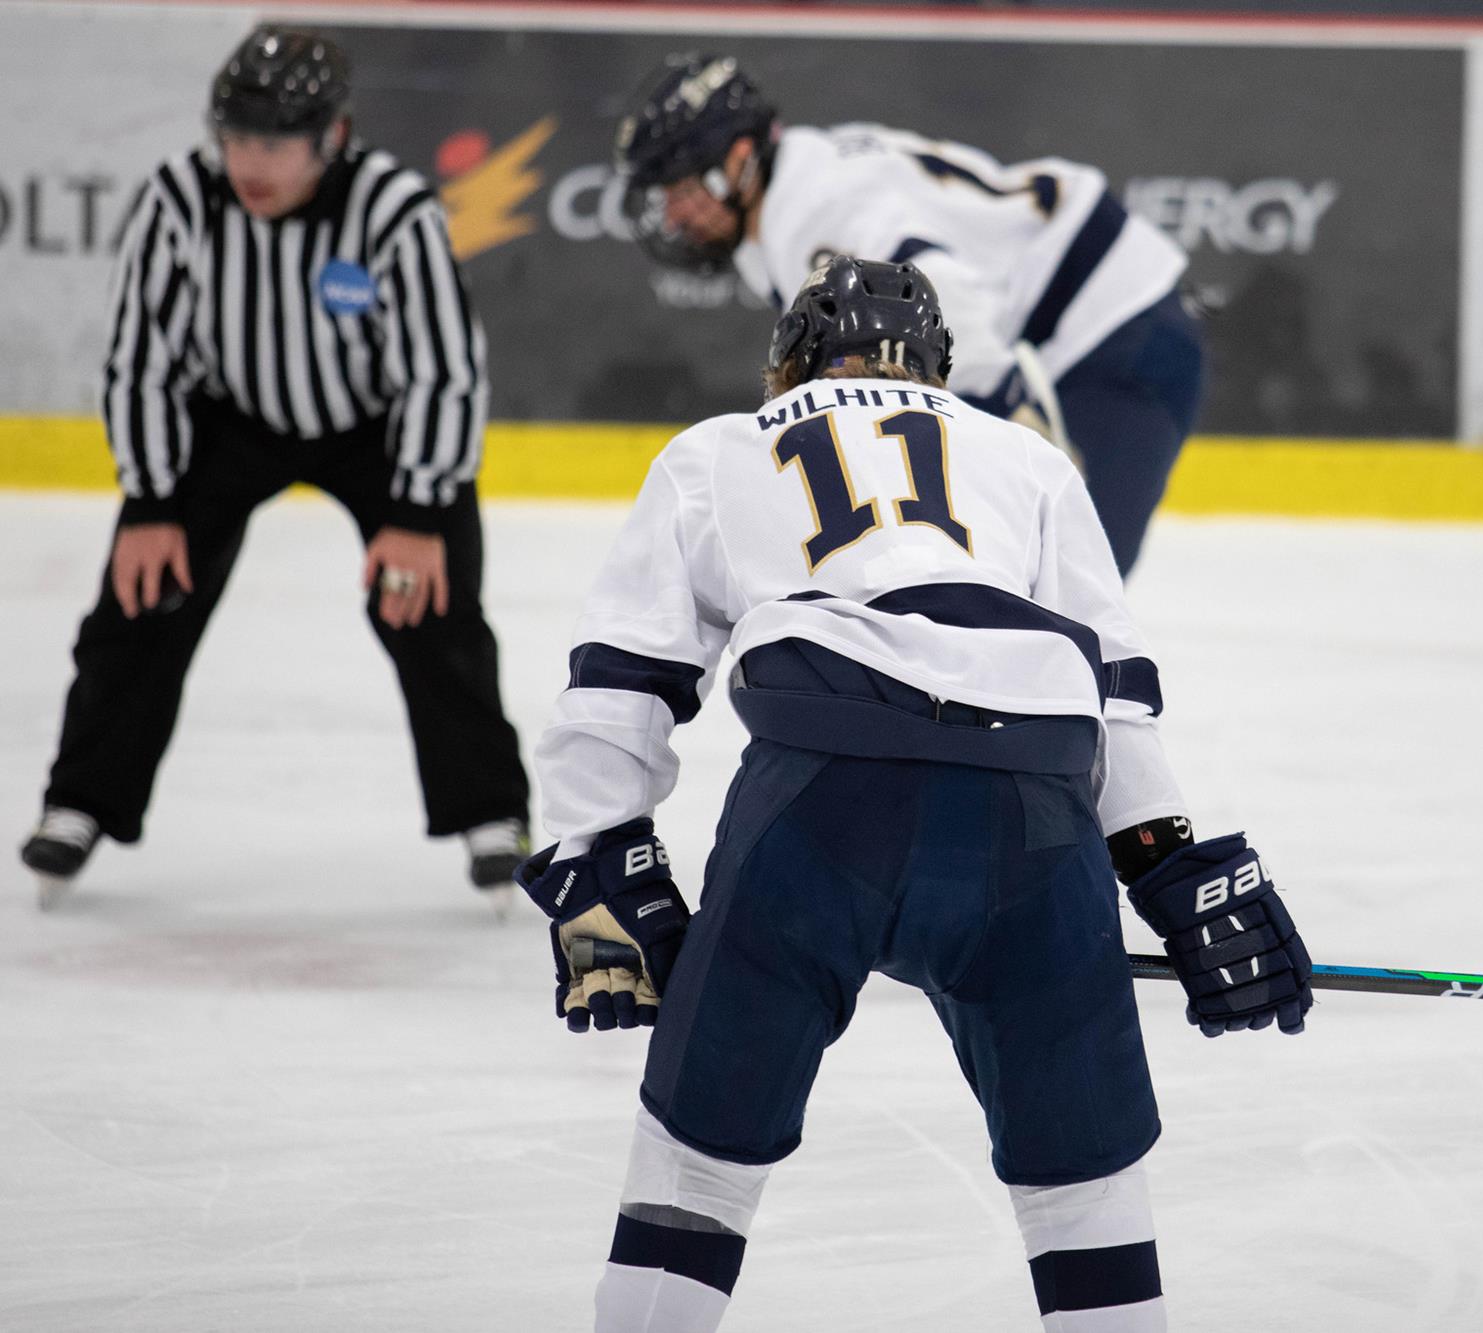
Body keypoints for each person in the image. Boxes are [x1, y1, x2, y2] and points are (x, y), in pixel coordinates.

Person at [514, 256, 1312, 1331]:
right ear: (940, 373)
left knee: (693, 1176)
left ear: (786, 362)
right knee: (1085, 1201)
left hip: (818, 807)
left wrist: (601, 859)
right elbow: (1113, 701)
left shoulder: (720, 447)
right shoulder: (1026, 459)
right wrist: (1177, 875)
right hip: (1028, 820)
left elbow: (620, 677)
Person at [18, 27, 531, 911]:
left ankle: (492, 813)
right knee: (141, 601)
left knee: (430, 607)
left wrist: (416, 510)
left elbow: (443, 369)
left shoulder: (394, 210)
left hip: (376, 429)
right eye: (237, 139)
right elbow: (142, 358)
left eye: (276, 143)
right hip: (230, 422)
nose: (250, 163)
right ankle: (80, 800)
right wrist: (150, 500)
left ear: (331, 136)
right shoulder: (181, 198)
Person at [612, 53, 1205, 577]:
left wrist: (1011, 423)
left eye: (680, 190)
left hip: (1123, 333)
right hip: (1106, 324)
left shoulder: (812, 216)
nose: (672, 216)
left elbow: (951, 305)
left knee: (1065, 580)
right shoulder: (792, 188)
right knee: (1035, 577)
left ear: (738, 160)